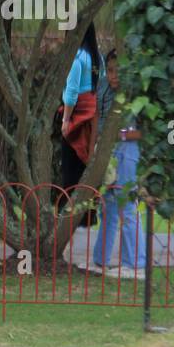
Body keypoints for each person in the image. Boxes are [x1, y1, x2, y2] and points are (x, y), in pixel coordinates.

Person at [92, 50, 145, 277]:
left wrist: (118, 135)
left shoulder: (136, 92)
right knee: (108, 207)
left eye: (118, 72)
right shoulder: (103, 87)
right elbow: (95, 116)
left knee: (127, 206)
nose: (113, 76)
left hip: (127, 152)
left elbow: (144, 131)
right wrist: (94, 147)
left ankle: (134, 263)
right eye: (110, 70)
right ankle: (100, 260)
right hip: (106, 151)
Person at [59, 23, 103, 215]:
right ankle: (86, 214)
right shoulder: (97, 57)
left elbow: (72, 92)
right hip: (91, 116)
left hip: (77, 117)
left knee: (69, 170)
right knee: (84, 164)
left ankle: (68, 213)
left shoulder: (76, 57)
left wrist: (65, 120)